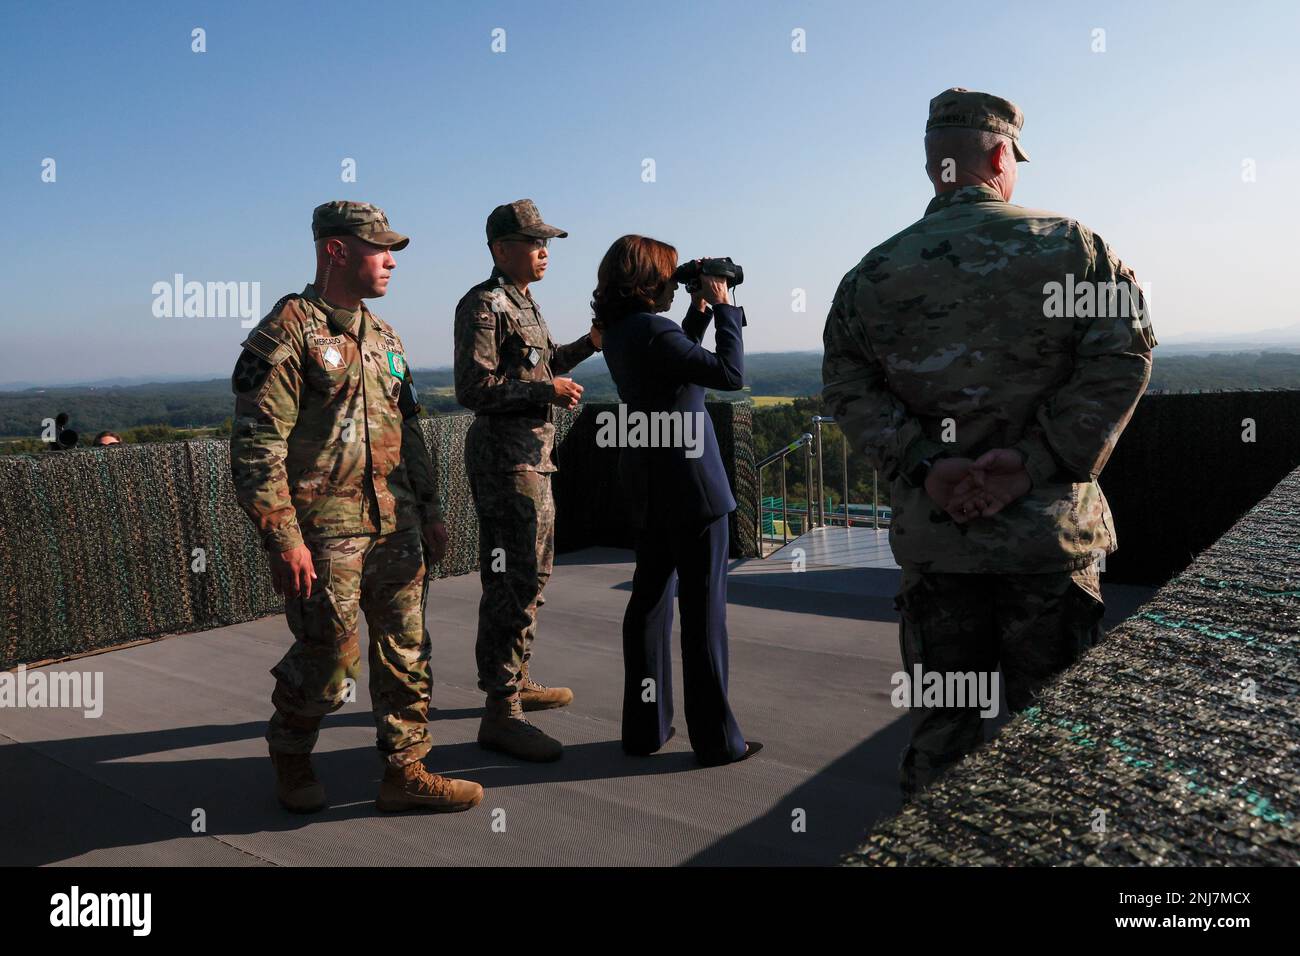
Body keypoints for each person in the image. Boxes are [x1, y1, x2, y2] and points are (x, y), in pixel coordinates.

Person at [822, 88, 1157, 801]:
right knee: (1058, 746)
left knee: (946, 736)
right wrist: (1031, 464)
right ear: (1001, 154)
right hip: (1046, 544)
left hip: (939, 547)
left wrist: (927, 465)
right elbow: (1121, 359)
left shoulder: (872, 275)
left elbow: (848, 389)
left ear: (932, 166)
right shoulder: (1072, 249)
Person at [230, 200, 482, 814]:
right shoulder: (289, 329)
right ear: (336, 250)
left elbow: (411, 429)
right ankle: (290, 750)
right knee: (331, 658)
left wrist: (432, 509)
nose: (391, 261)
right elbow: (258, 443)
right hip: (325, 534)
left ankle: (406, 770)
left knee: (405, 650)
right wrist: (283, 538)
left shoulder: (384, 335)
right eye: (379, 248)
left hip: (397, 526)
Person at [596, 235, 760, 766]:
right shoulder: (651, 330)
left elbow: (672, 362)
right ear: (646, 281)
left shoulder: (625, 331)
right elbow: (730, 377)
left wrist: (697, 312)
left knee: (648, 605)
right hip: (693, 490)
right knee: (703, 612)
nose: (673, 283)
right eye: (666, 275)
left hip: (649, 485)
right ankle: (716, 741)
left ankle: (646, 728)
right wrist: (728, 311)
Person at [453, 199, 601, 762]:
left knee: (532, 579)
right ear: (500, 249)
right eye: (534, 241)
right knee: (512, 582)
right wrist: (548, 392)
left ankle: (516, 680)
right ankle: (502, 712)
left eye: (547, 241)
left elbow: (543, 362)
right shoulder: (484, 305)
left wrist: (589, 344)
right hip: (505, 465)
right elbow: (474, 390)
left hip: (534, 461)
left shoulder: (525, 303)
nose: (544, 250)